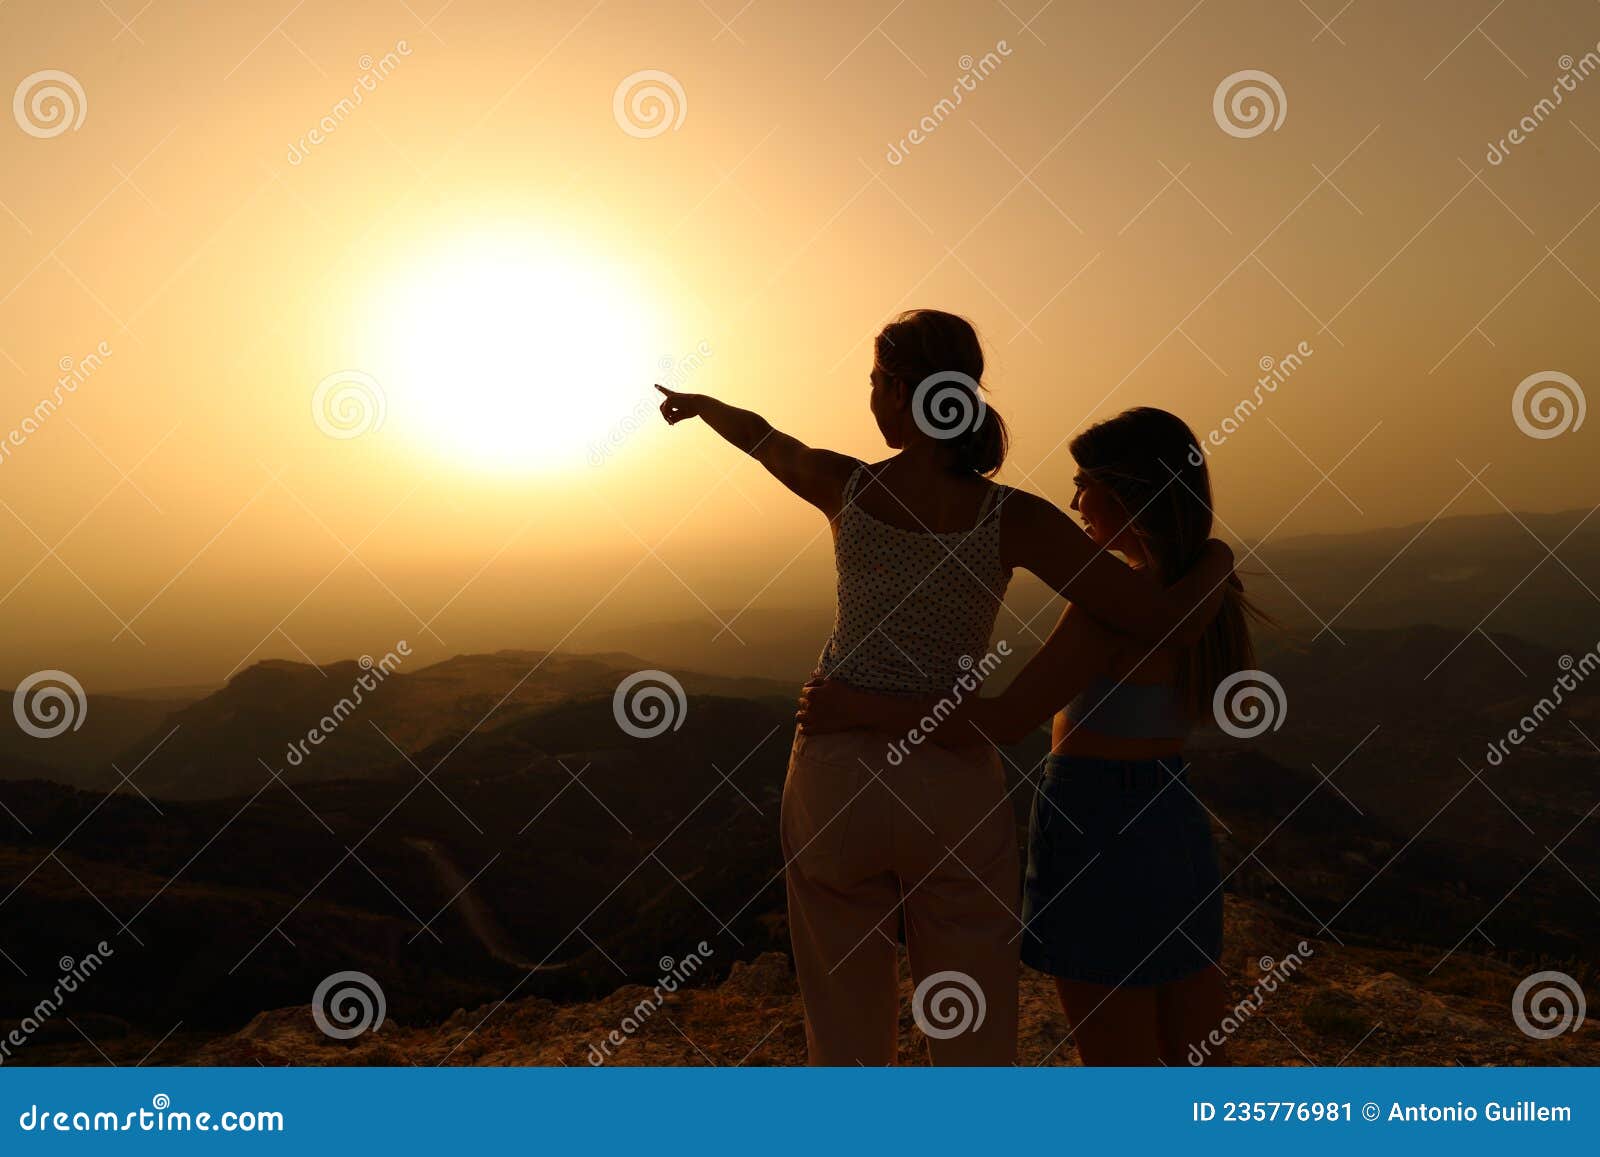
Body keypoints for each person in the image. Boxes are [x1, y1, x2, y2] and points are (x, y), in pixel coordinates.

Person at [657, 312, 1233, 1064]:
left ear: (899, 392)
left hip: (835, 768)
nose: (870, 396)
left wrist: (703, 407)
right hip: (947, 781)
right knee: (970, 1019)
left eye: (873, 382)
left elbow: (769, 439)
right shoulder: (1013, 517)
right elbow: (1157, 617)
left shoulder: (847, 486)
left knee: (842, 1009)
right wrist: (1218, 556)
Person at [797, 406, 1260, 1065]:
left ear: (1126, 491)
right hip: (1174, 816)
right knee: (1198, 1050)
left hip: (1099, 820)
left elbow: (1008, 720)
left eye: (1084, 482)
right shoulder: (1208, 588)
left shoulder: (1113, 608)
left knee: (1116, 1060)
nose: (1073, 501)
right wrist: (1218, 554)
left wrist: (861, 706)